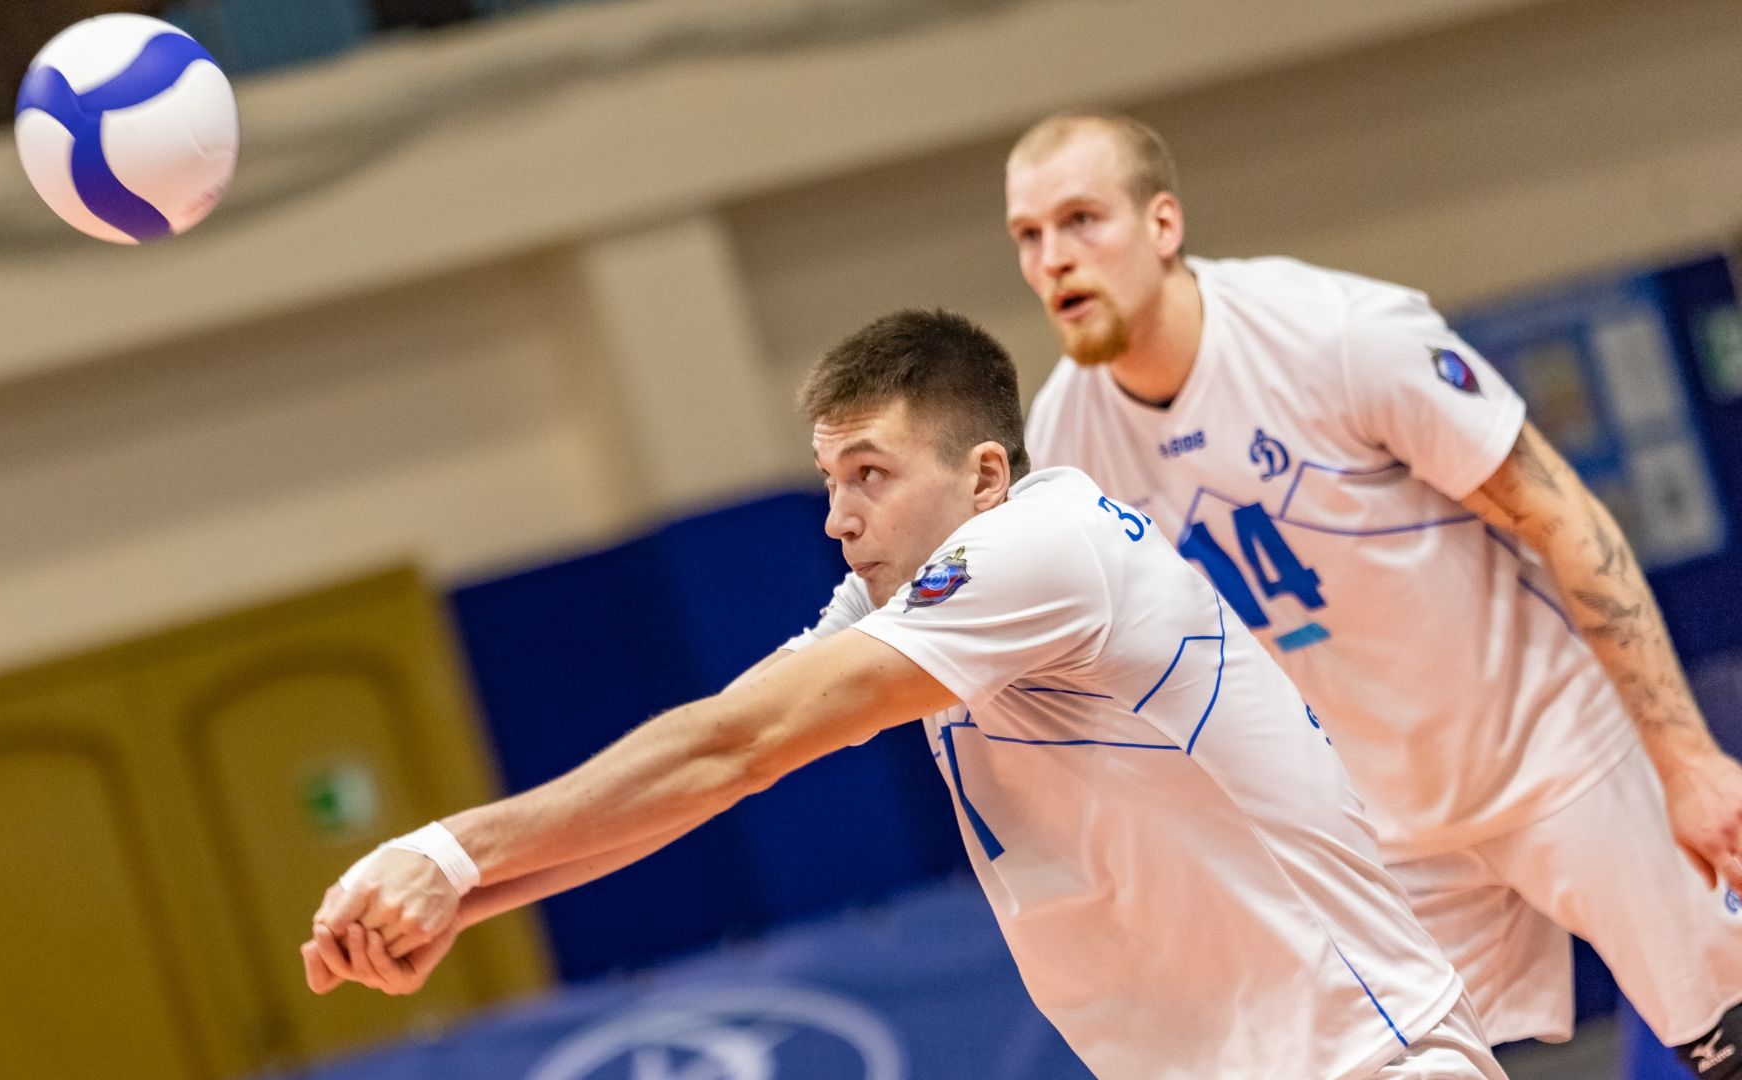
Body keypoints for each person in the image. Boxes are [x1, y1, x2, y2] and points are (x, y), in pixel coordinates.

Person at [302, 310, 1507, 1079]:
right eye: (829, 479)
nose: (838, 518)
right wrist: (467, 899)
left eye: (870, 474)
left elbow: (735, 748)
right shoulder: (895, 602)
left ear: (983, 475)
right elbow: (705, 777)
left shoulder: (1043, 546)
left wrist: (450, 851)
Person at [1005, 111, 1742, 1069]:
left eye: (1080, 220)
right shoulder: (1064, 445)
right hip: (1384, 836)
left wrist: (1687, 761)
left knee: (1728, 1044)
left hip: (1552, 750)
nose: (1054, 258)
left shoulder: (1337, 334)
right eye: (1029, 235)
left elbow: (1563, 514)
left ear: (1163, 225)